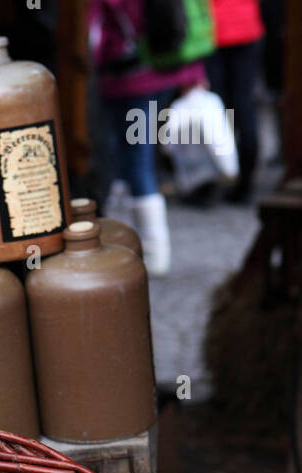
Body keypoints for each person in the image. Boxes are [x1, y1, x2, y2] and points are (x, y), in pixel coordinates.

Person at [89, 0, 216, 275]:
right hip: (162, 70)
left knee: (135, 160)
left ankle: (152, 251)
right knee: (139, 157)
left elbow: (95, 35)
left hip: (129, 78)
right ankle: (149, 249)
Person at [206, 0, 265, 200]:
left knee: (215, 108)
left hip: (212, 29)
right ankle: (244, 178)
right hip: (246, 24)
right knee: (243, 105)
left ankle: (212, 179)